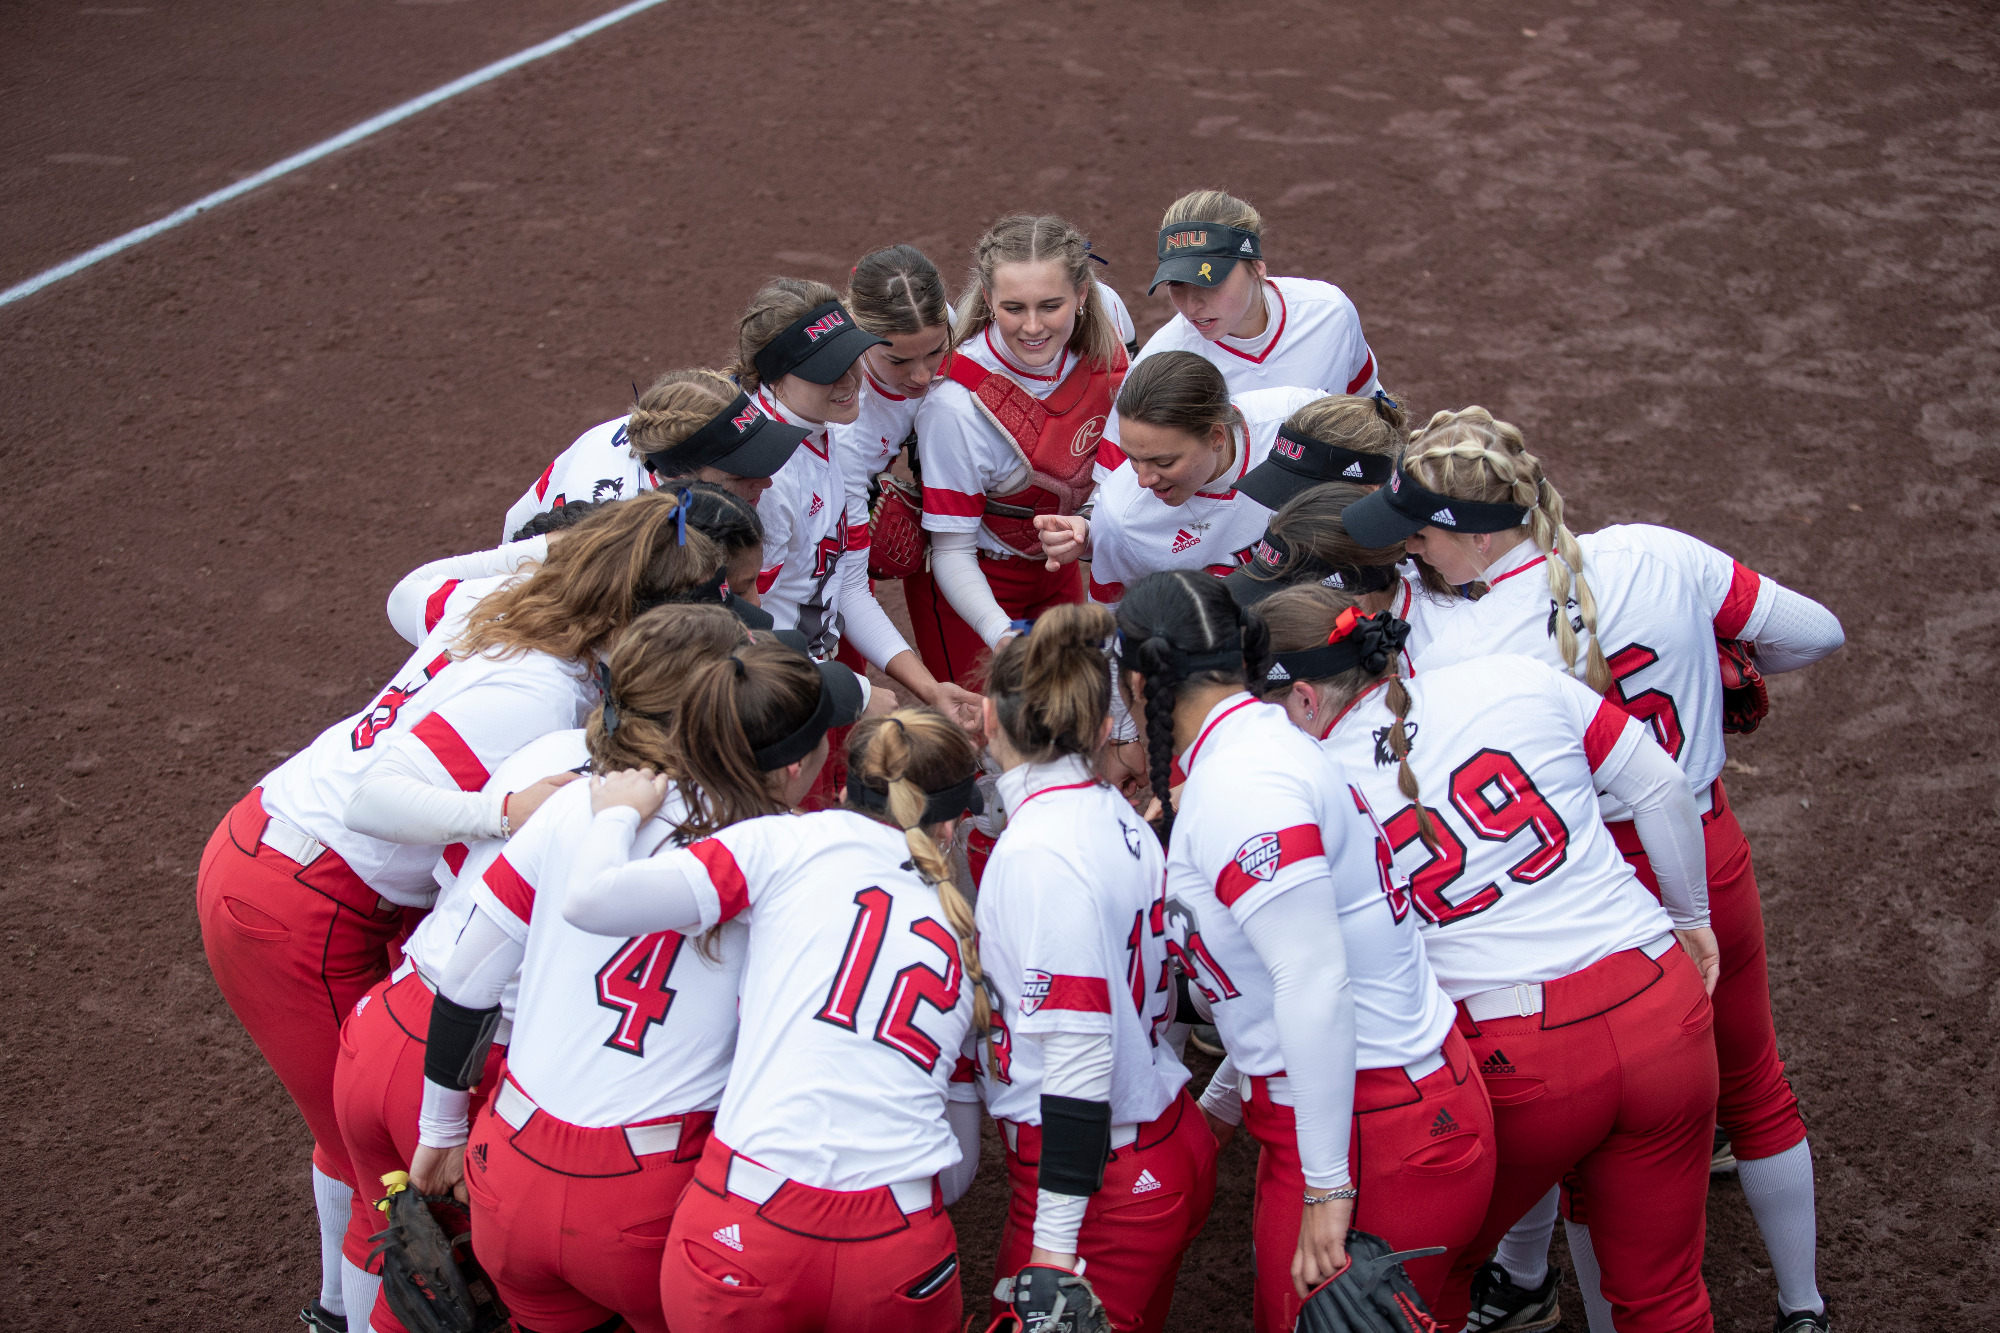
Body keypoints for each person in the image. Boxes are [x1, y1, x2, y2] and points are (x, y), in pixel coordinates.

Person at [1343, 408, 1845, 1333]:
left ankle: (1531, 1286)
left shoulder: (1457, 643)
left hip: (1585, 881)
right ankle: (1803, 1307)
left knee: (1586, 1148)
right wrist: (1725, 665)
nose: (1407, 553)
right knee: (1758, 1085)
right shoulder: (1656, 552)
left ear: (1472, 532)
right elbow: (1816, 634)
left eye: (1420, 534)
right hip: (1705, 840)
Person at [196, 492, 722, 1332]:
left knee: (372, 1148)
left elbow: (411, 589)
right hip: (304, 894)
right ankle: (341, 1315)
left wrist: (538, 559)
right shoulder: (539, 688)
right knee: (390, 1185)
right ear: (630, 608)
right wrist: (500, 814)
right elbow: (376, 798)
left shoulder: (521, 612)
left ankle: (340, 1309)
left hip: (299, 865)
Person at [1255, 584, 1725, 1332]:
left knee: (1427, 1289)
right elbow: (1663, 787)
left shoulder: (1305, 785)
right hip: (1660, 1000)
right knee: (1667, 1297)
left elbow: (1309, 977)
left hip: (1519, 1060)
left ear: (1304, 700)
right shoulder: (1515, 675)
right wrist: (1692, 919)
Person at [332, 604, 750, 1333]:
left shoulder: (548, 764)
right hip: (579, 1132)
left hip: (401, 1039)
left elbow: (462, 943)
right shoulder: (754, 839)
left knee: (394, 1271)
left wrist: (440, 1126)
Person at [1112, 569, 1465, 1332]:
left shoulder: (1244, 781)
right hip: (1372, 1106)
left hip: (1370, 1127)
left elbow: (1313, 977)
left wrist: (1329, 1185)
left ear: (1139, 679)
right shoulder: (1253, 745)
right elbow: (1281, 976)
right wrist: (1224, 1108)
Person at [564, 690, 981, 1333]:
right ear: (950, 826)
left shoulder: (784, 841)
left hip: (748, 1226)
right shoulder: (965, 938)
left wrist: (615, 815)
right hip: (899, 1250)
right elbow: (958, 1176)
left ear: (846, 789)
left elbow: (592, 901)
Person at [974, 603, 1219, 1333]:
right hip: (1151, 1142)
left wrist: (1050, 1258)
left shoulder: (1040, 851)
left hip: (1100, 1183)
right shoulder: (1114, 811)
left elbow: (1078, 1052)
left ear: (988, 716)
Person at [730, 280, 982, 733]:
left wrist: (930, 690)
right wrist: (851, 693)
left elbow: (848, 589)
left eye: (850, 359)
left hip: (809, 679)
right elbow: (747, 630)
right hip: (775, 701)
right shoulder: (764, 482)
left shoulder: (826, 438)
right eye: (827, 370)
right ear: (775, 378)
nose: (849, 382)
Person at [909, 213, 1131, 686]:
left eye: (1051, 305)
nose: (1032, 327)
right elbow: (952, 549)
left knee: (1076, 715)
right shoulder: (953, 405)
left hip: (1058, 570)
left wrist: (1086, 526)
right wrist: (1001, 634)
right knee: (987, 739)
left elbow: (1122, 471)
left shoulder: (1108, 345)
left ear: (1083, 296)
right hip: (975, 585)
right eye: (1013, 308)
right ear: (988, 300)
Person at [1093, 189, 1381, 481]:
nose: (1192, 306)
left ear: (1256, 267)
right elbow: (1112, 481)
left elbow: (1369, 408)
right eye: (1177, 284)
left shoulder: (1329, 314)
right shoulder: (1164, 360)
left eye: (1210, 282)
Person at [387, 483, 771, 647]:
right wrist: (568, 545)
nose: (755, 603)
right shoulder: (553, 668)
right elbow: (403, 599)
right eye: (735, 590)